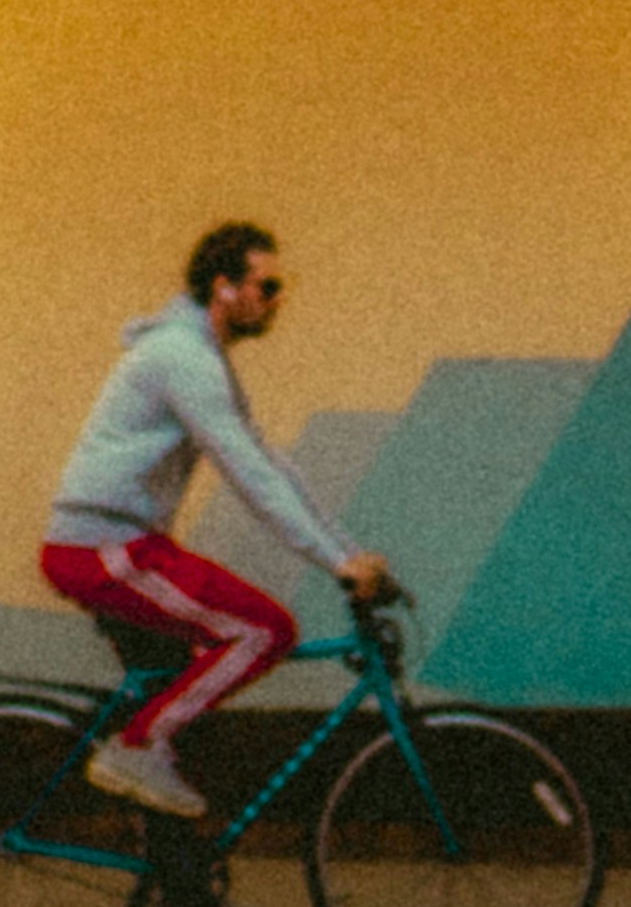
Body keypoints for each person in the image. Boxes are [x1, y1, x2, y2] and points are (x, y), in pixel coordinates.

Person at [42, 220, 396, 826]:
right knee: (264, 631)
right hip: (103, 549)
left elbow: (269, 461)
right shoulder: (183, 358)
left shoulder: (202, 357)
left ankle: (185, 887)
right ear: (223, 289)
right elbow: (248, 478)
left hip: (126, 544)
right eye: (268, 285)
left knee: (183, 705)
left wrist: (348, 549)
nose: (278, 299)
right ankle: (131, 750)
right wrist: (336, 564)